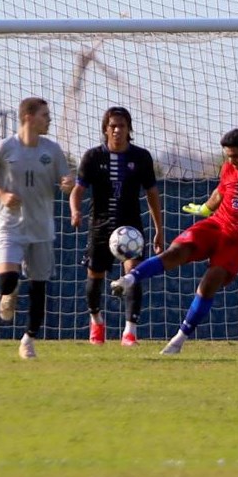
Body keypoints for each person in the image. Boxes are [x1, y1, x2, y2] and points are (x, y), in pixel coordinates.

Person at [109, 128, 238, 355]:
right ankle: (130, 279)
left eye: (235, 156)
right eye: (228, 156)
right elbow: (220, 193)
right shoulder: (228, 167)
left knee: (209, 283)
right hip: (217, 225)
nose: (231, 160)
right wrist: (205, 208)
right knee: (176, 252)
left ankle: (179, 339)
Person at [0, 97, 75, 359]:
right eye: (44, 115)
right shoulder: (5, 147)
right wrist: (0, 193)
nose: (49, 119)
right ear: (28, 117)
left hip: (41, 229)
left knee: (39, 288)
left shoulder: (52, 150)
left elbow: (66, 181)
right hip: (10, 227)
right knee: (8, 279)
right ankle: (9, 292)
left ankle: (28, 340)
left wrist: (67, 185)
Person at [69, 106, 164, 346]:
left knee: (133, 274)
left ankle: (129, 332)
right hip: (100, 227)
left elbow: (152, 193)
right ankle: (96, 320)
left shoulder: (141, 157)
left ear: (129, 129)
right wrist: (75, 210)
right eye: (113, 126)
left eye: (122, 126)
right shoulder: (93, 157)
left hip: (130, 227)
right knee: (95, 276)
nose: (117, 130)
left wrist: (159, 230)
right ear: (105, 129)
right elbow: (77, 190)